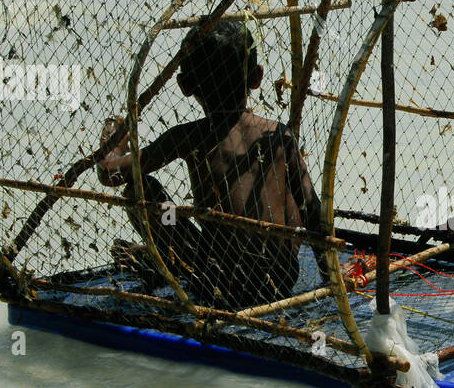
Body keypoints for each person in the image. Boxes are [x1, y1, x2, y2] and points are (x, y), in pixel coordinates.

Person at [97, 18, 329, 310]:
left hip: (218, 283)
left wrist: (113, 140)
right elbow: (314, 213)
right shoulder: (279, 134)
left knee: (140, 193)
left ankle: (163, 258)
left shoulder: (190, 136)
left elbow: (112, 173)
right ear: (257, 78)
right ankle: (155, 256)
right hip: (280, 281)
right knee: (286, 190)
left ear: (185, 85)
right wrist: (329, 277)